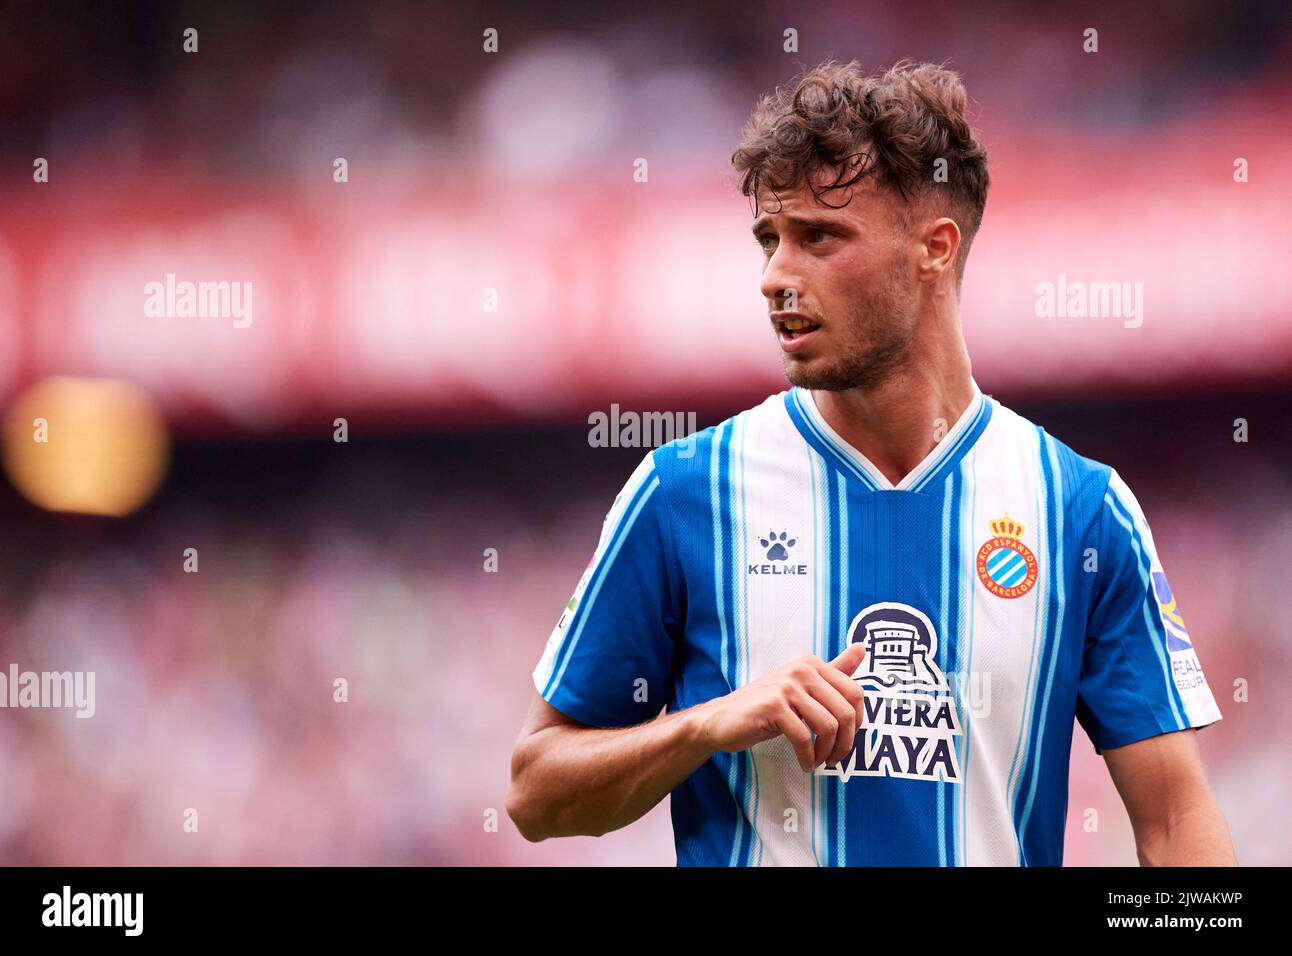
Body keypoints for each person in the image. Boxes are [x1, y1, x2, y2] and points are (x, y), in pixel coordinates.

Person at [507, 59, 1234, 866]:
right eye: (769, 239)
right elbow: (537, 793)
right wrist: (708, 722)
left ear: (934, 248)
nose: (775, 277)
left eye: (819, 236)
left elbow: (1173, 822)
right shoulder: (683, 492)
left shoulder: (1081, 511)